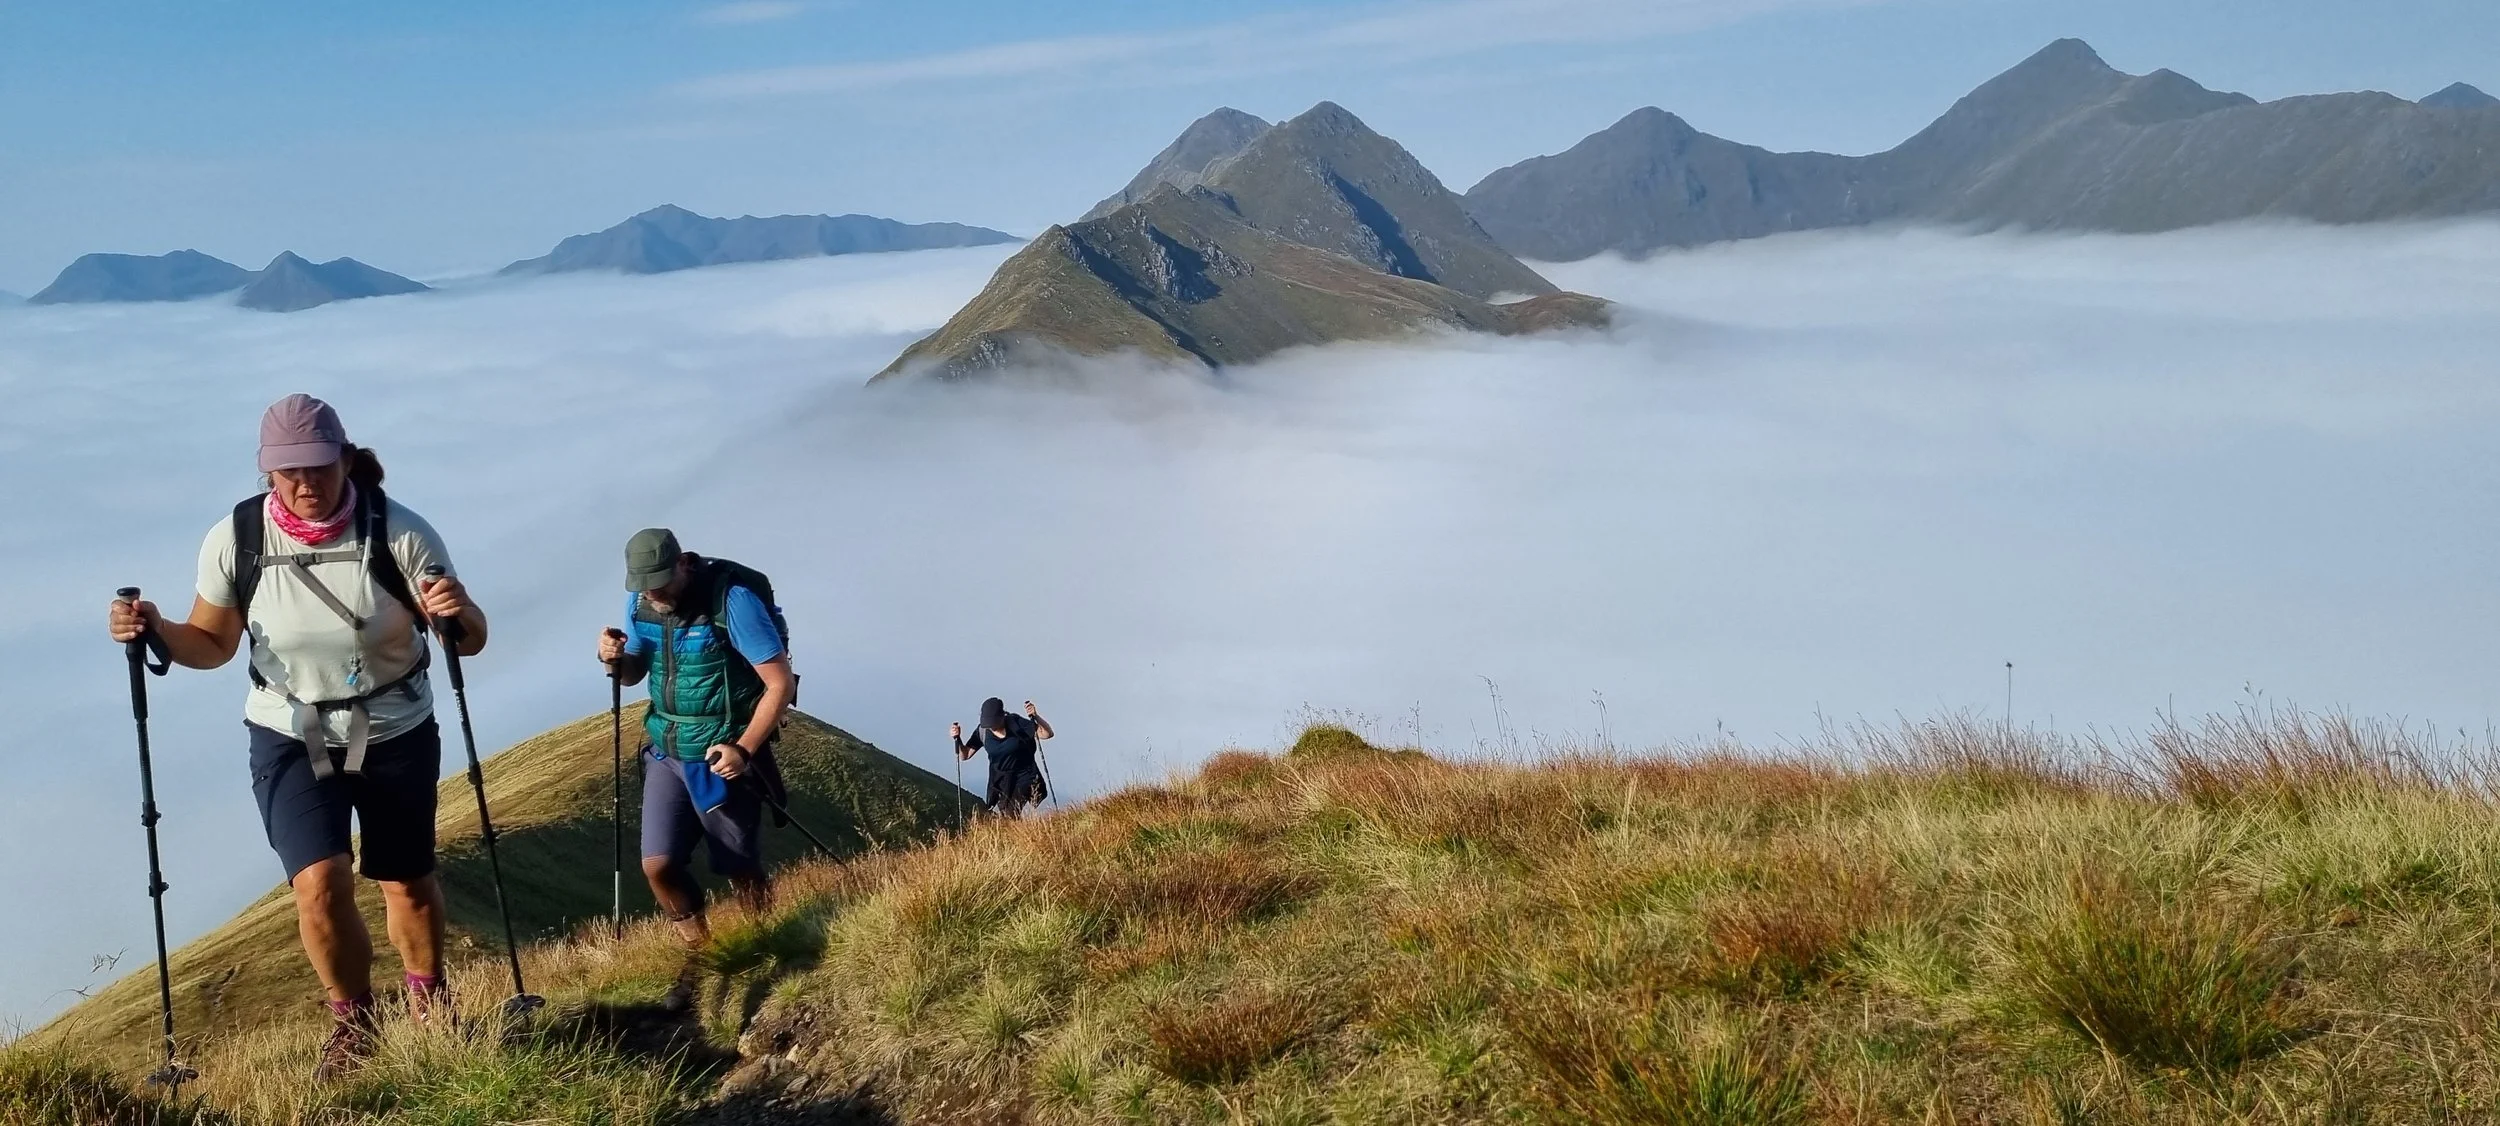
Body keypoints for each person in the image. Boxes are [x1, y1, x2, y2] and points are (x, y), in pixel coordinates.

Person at [105, 394, 485, 1081]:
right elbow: (214, 643)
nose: (306, 483)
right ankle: (355, 1022)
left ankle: (430, 1005)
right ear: (267, 473)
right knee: (317, 882)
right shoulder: (238, 538)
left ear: (345, 459)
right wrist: (156, 629)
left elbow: (466, 638)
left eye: (318, 467)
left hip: (395, 725)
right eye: (288, 472)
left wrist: (461, 612)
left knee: (405, 882)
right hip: (287, 728)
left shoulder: (400, 533)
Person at [596, 528, 796, 1011]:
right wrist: (613, 659)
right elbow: (635, 672)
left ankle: (765, 947)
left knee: (738, 865)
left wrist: (745, 749)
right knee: (658, 864)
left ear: (684, 563)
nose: (654, 594)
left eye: (661, 583)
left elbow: (779, 682)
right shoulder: (640, 604)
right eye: (645, 586)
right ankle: (701, 957)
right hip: (667, 746)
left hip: (721, 749)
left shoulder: (734, 602)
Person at [953, 698, 1054, 818]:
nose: (991, 726)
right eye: (988, 724)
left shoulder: (1015, 722)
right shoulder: (982, 731)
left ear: (1002, 716)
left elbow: (1047, 734)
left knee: (1010, 811)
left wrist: (1035, 716)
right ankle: (1021, 834)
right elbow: (965, 755)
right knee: (1005, 815)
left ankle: (1027, 832)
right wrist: (957, 739)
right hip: (1001, 779)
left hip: (1026, 774)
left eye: (993, 723)